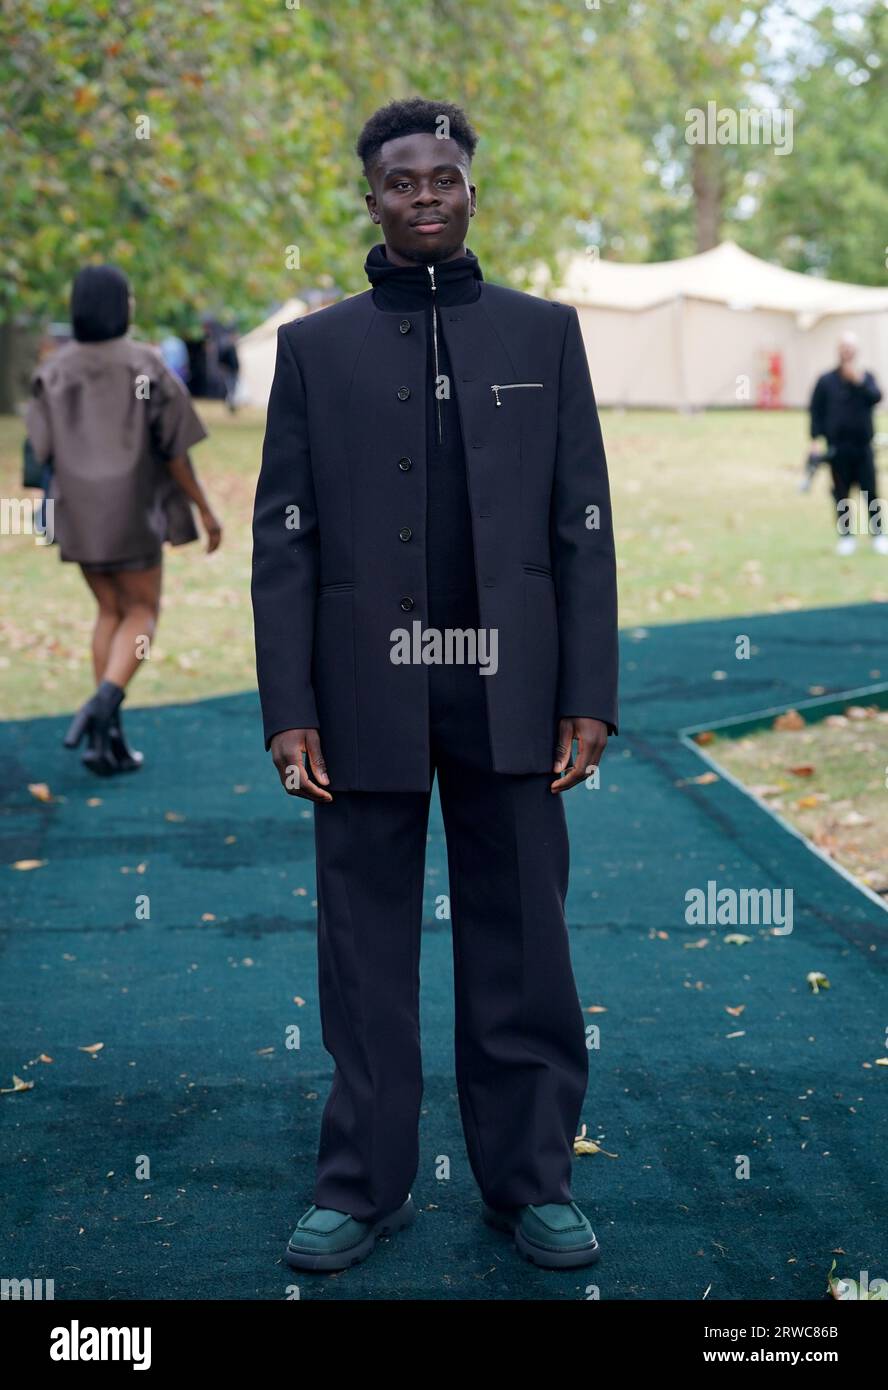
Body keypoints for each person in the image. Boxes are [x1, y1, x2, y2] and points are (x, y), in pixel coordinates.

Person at [251, 98, 618, 1273]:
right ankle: (361, 1184)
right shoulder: (314, 350)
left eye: (443, 177)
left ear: (471, 191)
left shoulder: (544, 334)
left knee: (523, 946)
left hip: (511, 691)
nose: (425, 194)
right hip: (366, 693)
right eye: (401, 179)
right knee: (363, 952)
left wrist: (589, 689)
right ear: (371, 198)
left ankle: (532, 1183)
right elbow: (285, 544)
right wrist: (290, 707)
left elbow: (582, 531)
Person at [25, 264, 223, 776]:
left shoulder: (53, 370)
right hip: (132, 509)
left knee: (108, 614)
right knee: (142, 614)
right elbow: (175, 449)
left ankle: (105, 741)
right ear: (121, 306)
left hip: (78, 512)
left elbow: (39, 450)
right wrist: (203, 507)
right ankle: (103, 702)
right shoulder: (145, 364)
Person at [809, 331, 886, 556]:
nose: (847, 351)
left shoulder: (866, 377)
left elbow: (877, 396)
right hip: (838, 449)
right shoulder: (826, 381)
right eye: (844, 346)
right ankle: (846, 537)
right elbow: (816, 411)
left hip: (863, 448)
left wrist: (858, 381)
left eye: (851, 346)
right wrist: (815, 440)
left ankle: (879, 534)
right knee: (841, 494)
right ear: (838, 349)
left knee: (871, 492)